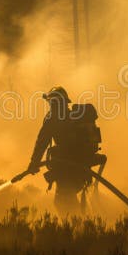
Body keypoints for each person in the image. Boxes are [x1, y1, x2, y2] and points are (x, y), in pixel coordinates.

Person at [26, 86, 105, 214]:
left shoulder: (52, 119)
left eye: (51, 102)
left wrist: (34, 162)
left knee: (63, 203)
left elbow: (42, 142)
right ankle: (84, 227)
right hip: (82, 168)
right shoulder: (73, 117)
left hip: (67, 170)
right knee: (68, 201)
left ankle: (77, 229)